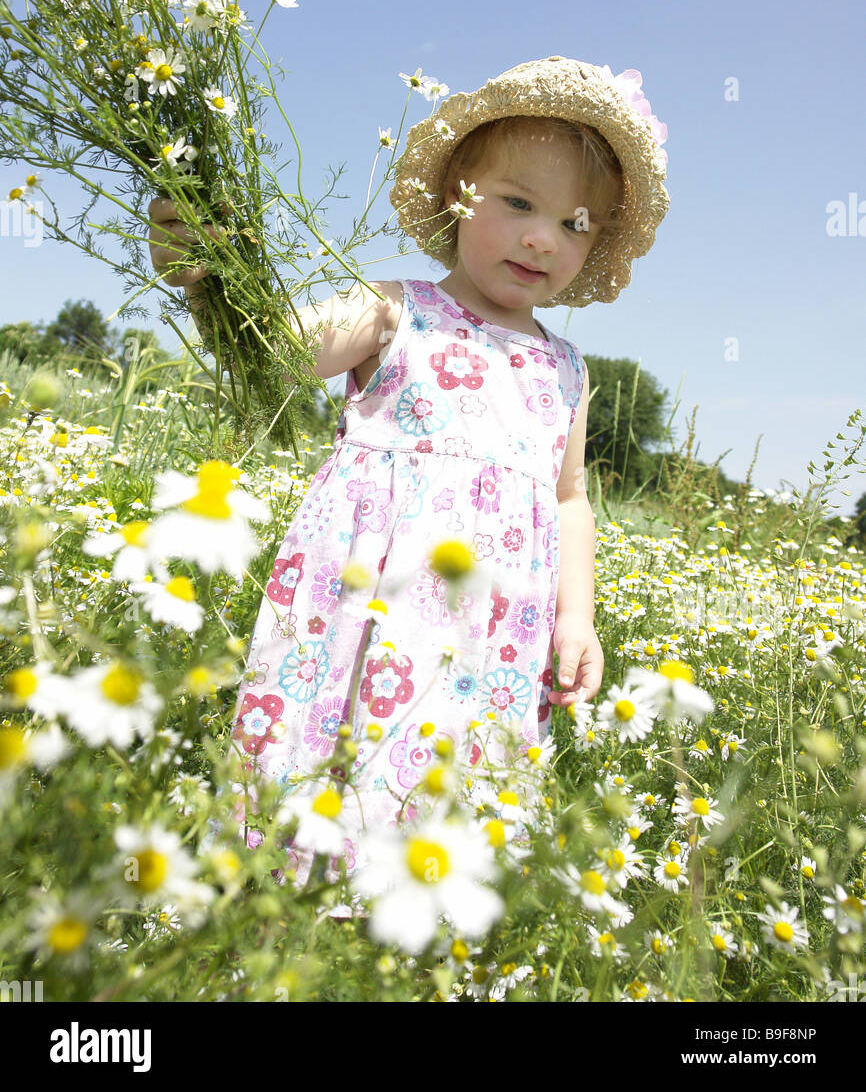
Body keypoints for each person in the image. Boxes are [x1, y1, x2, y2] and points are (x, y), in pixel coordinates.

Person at [148, 54, 670, 903]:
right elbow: (274, 350)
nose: (544, 237)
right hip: (364, 616)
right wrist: (211, 280)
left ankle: (409, 949)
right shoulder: (397, 308)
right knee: (322, 778)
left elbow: (571, 499)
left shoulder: (566, 371)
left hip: (489, 643)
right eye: (518, 203)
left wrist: (580, 616)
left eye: (576, 224)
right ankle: (283, 924)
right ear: (460, 195)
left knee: (451, 813)